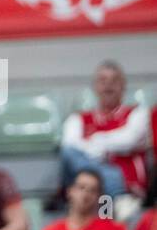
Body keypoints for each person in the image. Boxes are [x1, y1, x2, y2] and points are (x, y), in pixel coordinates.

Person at [61, 60, 151, 207]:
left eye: (114, 81)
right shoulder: (78, 119)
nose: (108, 86)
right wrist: (104, 150)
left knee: (107, 218)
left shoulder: (137, 113)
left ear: (123, 86)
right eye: (102, 81)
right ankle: (113, 185)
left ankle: (115, 194)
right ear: (95, 87)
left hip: (129, 194)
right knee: (69, 153)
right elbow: (69, 147)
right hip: (89, 198)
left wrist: (95, 142)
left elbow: (129, 139)